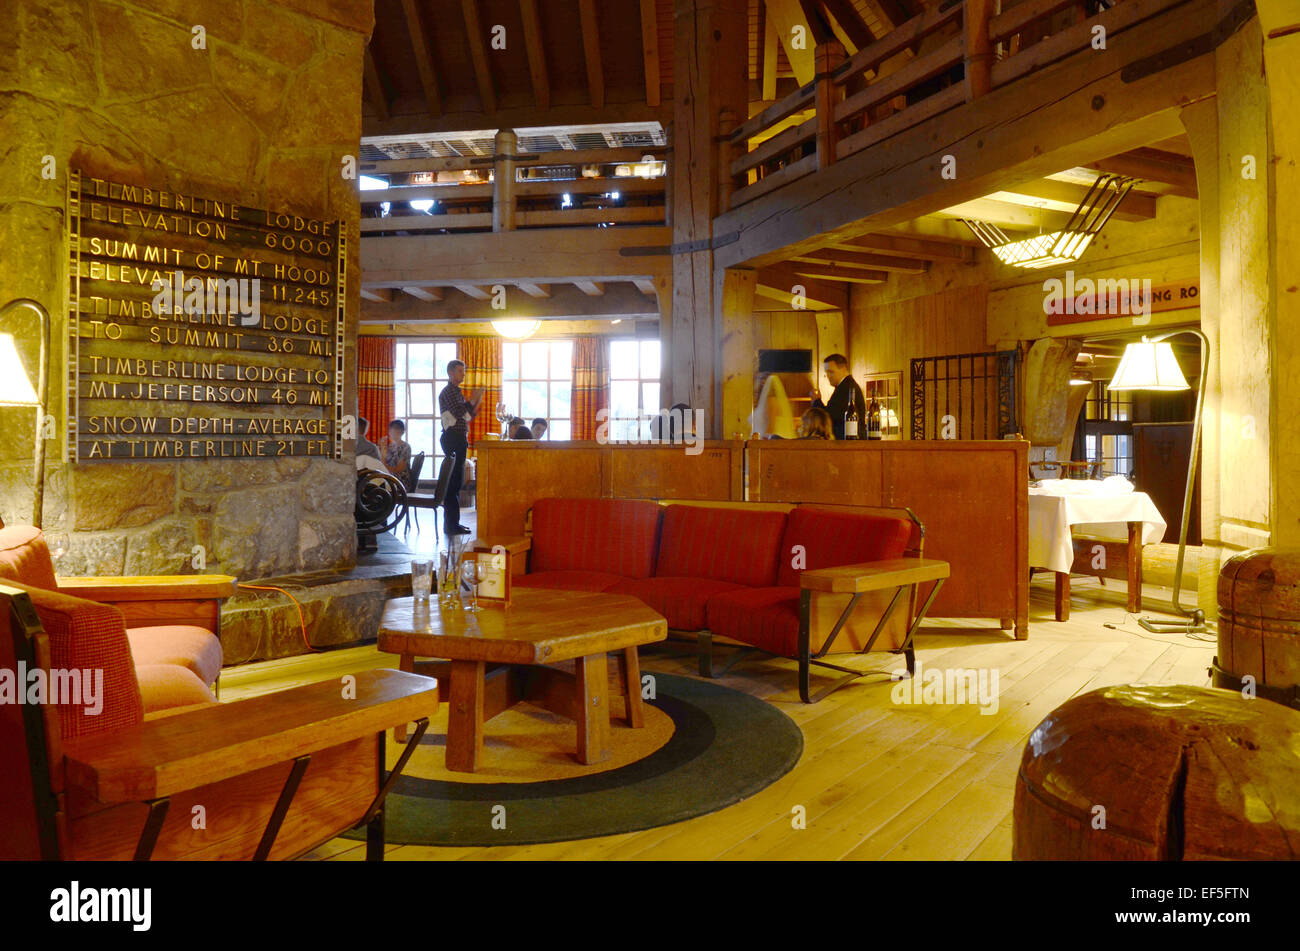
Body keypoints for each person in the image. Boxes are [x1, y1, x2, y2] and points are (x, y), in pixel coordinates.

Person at [438, 359, 482, 536]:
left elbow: (465, 415)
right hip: (453, 438)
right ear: (450, 373)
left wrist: (472, 406)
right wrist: (472, 401)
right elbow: (459, 413)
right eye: (459, 371)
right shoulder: (449, 391)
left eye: (463, 371)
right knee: (453, 482)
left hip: (457, 438)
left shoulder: (456, 392)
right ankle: (451, 526)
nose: (463, 374)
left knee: (456, 482)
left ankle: (453, 524)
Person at [812, 353, 866, 440]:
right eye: (827, 373)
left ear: (843, 369)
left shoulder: (846, 388)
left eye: (831, 372)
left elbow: (830, 417)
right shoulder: (844, 386)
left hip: (849, 443)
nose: (828, 376)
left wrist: (816, 401)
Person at [378, 419, 412, 483]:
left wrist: (383, 456)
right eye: (391, 429)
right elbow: (382, 463)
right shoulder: (390, 446)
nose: (391, 432)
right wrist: (381, 449)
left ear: (402, 432)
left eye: (397, 429)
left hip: (399, 482)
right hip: (389, 478)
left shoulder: (405, 447)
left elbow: (398, 470)